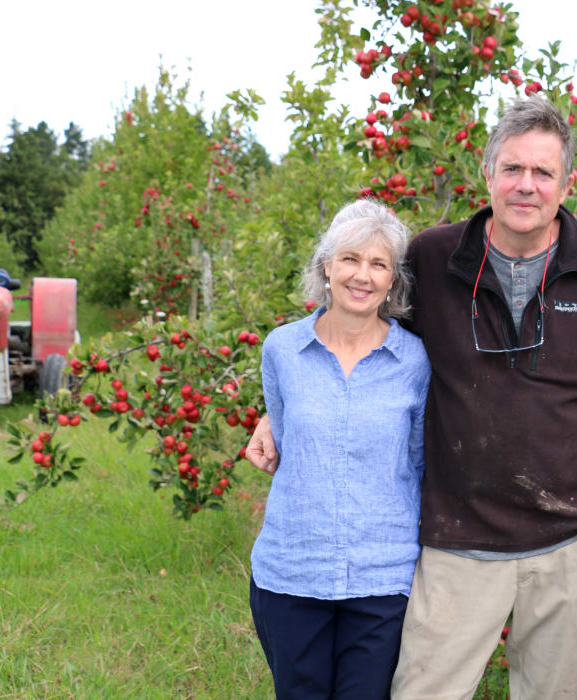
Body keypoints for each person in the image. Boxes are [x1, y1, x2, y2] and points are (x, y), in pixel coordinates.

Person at [249, 98, 577, 699]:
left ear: (567, 184)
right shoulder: (435, 258)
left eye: (543, 172)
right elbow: (358, 326)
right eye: (512, 168)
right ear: (487, 175)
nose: (526, 185)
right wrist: (290, 412)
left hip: (571, 544)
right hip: (458, 542)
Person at [247, 200, 430, 700]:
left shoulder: (416, 360)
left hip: (381, 576)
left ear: (393, 280)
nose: (362, 275)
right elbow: (287, 440)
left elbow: (417, 461)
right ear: (325, 266)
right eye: (350, 259)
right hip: (292, 570)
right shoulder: (281, 349)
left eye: (379, 264)